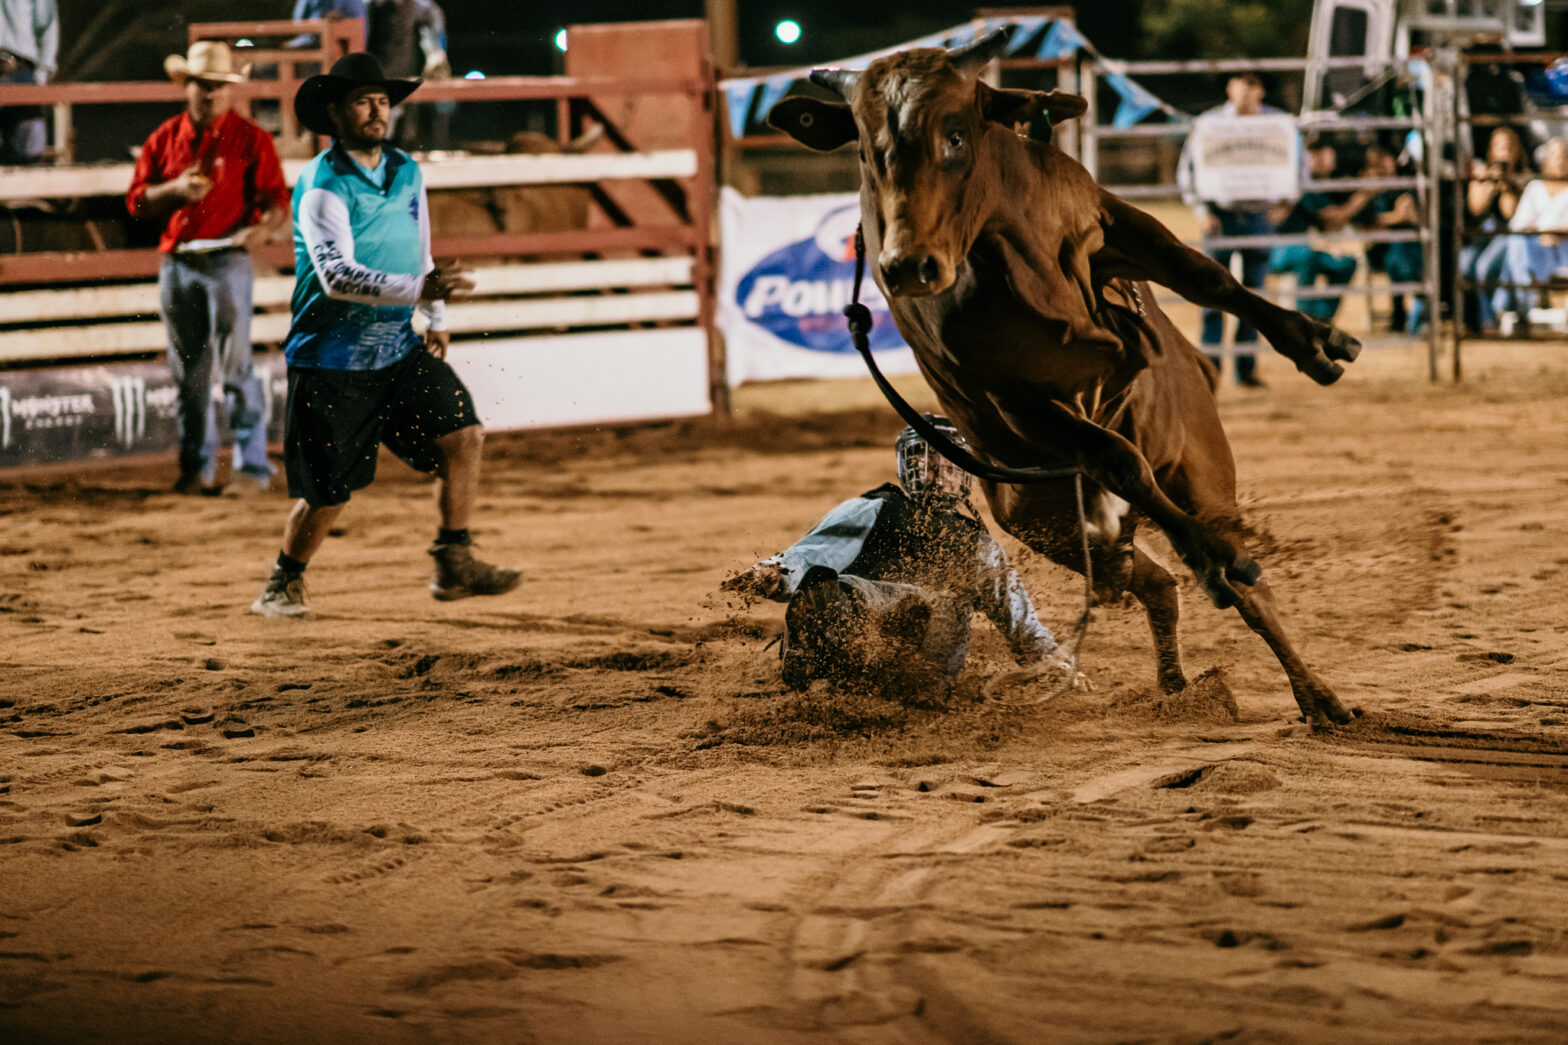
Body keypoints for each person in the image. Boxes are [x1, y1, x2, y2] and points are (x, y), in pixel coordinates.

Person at [250, 52, 519, 617]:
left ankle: (453, 558)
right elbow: (337, 278)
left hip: (396, 347)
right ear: (335, 112)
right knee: (327, 495)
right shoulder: (322, 183)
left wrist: (437, 316)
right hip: (331, 359)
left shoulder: (405, 170)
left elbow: (419, 246)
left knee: (464, 437)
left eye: (381, 101)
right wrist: (420, 294)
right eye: (361, 102)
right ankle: (283, 579)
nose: (376, 112)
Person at [721, 417, 1078, 695]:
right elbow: (812, 554)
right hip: (860, 645)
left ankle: (829, 660)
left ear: (965, 474)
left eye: (950, 465)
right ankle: (818, 661)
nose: (938, 475)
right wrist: (775, 572)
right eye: (926, 462)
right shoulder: (874, 508)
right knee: (832, 588)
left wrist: (1055, 667)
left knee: (923, 603)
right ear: (906, 466)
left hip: (929, 663)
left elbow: (1022, 626)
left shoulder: (979, 545)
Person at [127, 41, 289, 494]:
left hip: (224, 259)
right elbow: (138, 200)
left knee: (232, 368)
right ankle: (200, 467)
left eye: (217, 86)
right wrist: (173, 190)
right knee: (190, 374)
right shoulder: (166, 138)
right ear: (189, 87)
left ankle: (250, 467)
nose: (210, 93)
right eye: (203, 85)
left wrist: (261, 232)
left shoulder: (250, 138)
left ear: (228, 91)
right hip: (181, 262)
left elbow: (276, 201)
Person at [1178, 71, 1288, 388]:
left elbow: (1297, 165)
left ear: (1261, 90)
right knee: (1212, 292)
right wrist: (1201, 210)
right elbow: (1188, 170)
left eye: (1253, 82)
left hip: (1259, 215)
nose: (1245, 89)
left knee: (1254, 296)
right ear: (1229, 87)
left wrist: (1286, 204)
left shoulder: (1277, 125)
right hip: (1220, 215)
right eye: (1240, 82)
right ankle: (1210, 369)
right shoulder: (1209, 124)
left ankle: (1246, 367)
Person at [1267, 139, 1368, 323]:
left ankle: (1321, 319)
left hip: (1300, 250)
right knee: (1307, 256)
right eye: (1326, 159)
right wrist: (1365, 194)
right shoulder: (1301, 184)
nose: (1332, 164)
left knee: (1346, 263)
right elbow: (1334, 218)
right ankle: (1304, 322)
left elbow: (1331, 225)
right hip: (1275, 250)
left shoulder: (1312, 187)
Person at [1494, 137, 1568, 336]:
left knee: (1513, 247)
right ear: (1546, 161)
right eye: (1555, 157)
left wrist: (1554, 232)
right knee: (1515, 241)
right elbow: (1518, 223)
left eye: (1564, 157)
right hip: (1535, 250)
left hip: (1563, 252)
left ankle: (1512, 308)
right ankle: (1523, 305)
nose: (1560, 162)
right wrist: (1540, 233)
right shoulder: (1535, 187)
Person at [1461, 126, 1531, 333]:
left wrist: (1507, 186)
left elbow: (1510, 214)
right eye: (1499, 146)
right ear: (1491, 150)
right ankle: (1472, 320)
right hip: (1483, 234)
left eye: (1508, 147)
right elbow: (1476, 209)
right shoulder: (1482, 173)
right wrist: (1489, 185)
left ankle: (1489, 320)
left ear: (1517, 151)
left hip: (1510, 235)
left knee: (1484, 267)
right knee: (1465, 264)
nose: (1504, 152)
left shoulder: (1523, 177)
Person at [1353, 143, 1425, 334]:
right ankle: (1418, 303)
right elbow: (1363, 225)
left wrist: (1386, 220)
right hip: (1379, 250)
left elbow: (1413, 216)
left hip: (1408, 248)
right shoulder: (1366, 193)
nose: (1382, 168)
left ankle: (1404, 313)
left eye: (1384, 160)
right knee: (1398, 251)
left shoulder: (1403, 186)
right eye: (1375, 164)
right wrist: (1395, 217)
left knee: (1401, 248)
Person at [0, 0, 55, 164]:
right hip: (19, 69)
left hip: (20, 70)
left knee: (29, 149)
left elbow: (48, 25)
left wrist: (43, 73)